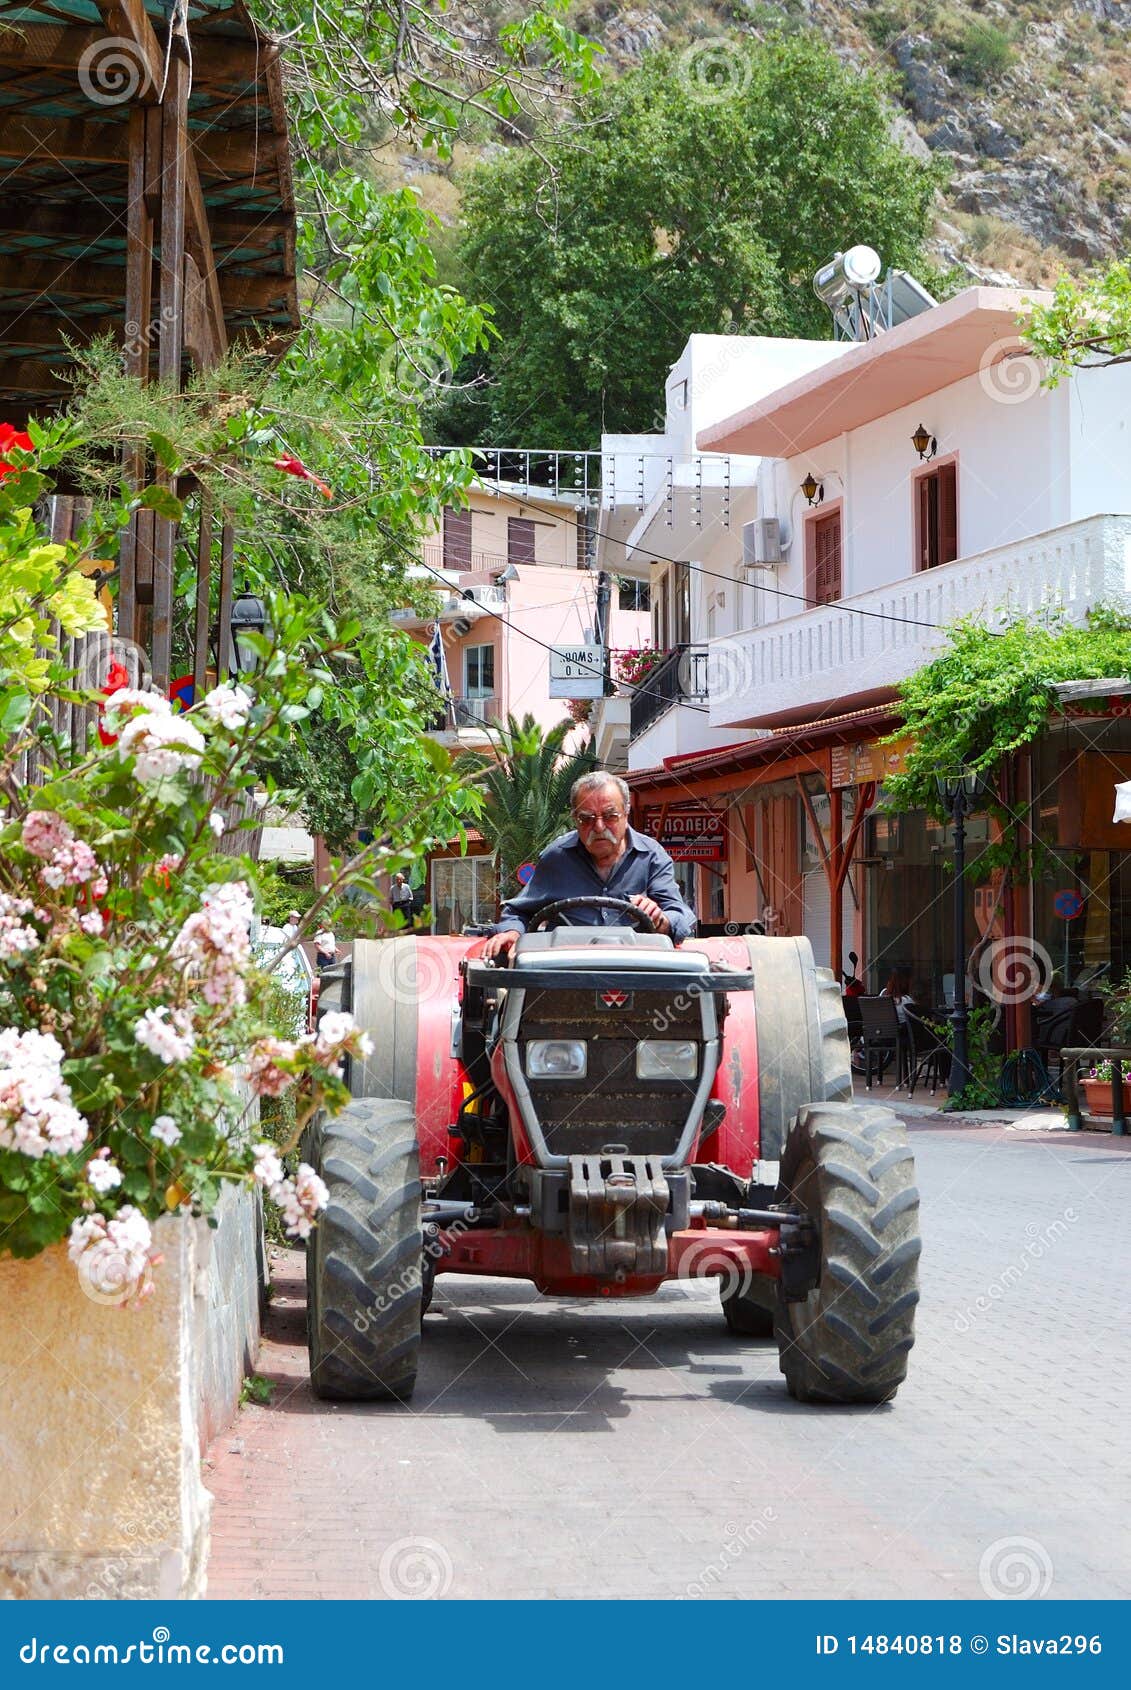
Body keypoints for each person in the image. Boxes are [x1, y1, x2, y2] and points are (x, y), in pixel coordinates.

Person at [481, 771, 696, 962]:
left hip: (637, 973)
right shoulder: (557, 857)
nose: (599, 827)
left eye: (610, 816)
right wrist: (512, 932)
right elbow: (519, 910)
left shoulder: (652, 856)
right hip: (564, 976)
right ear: (574, 818)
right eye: (587, 819)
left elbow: (680, 915)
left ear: (626, 813)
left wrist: (662, 920)